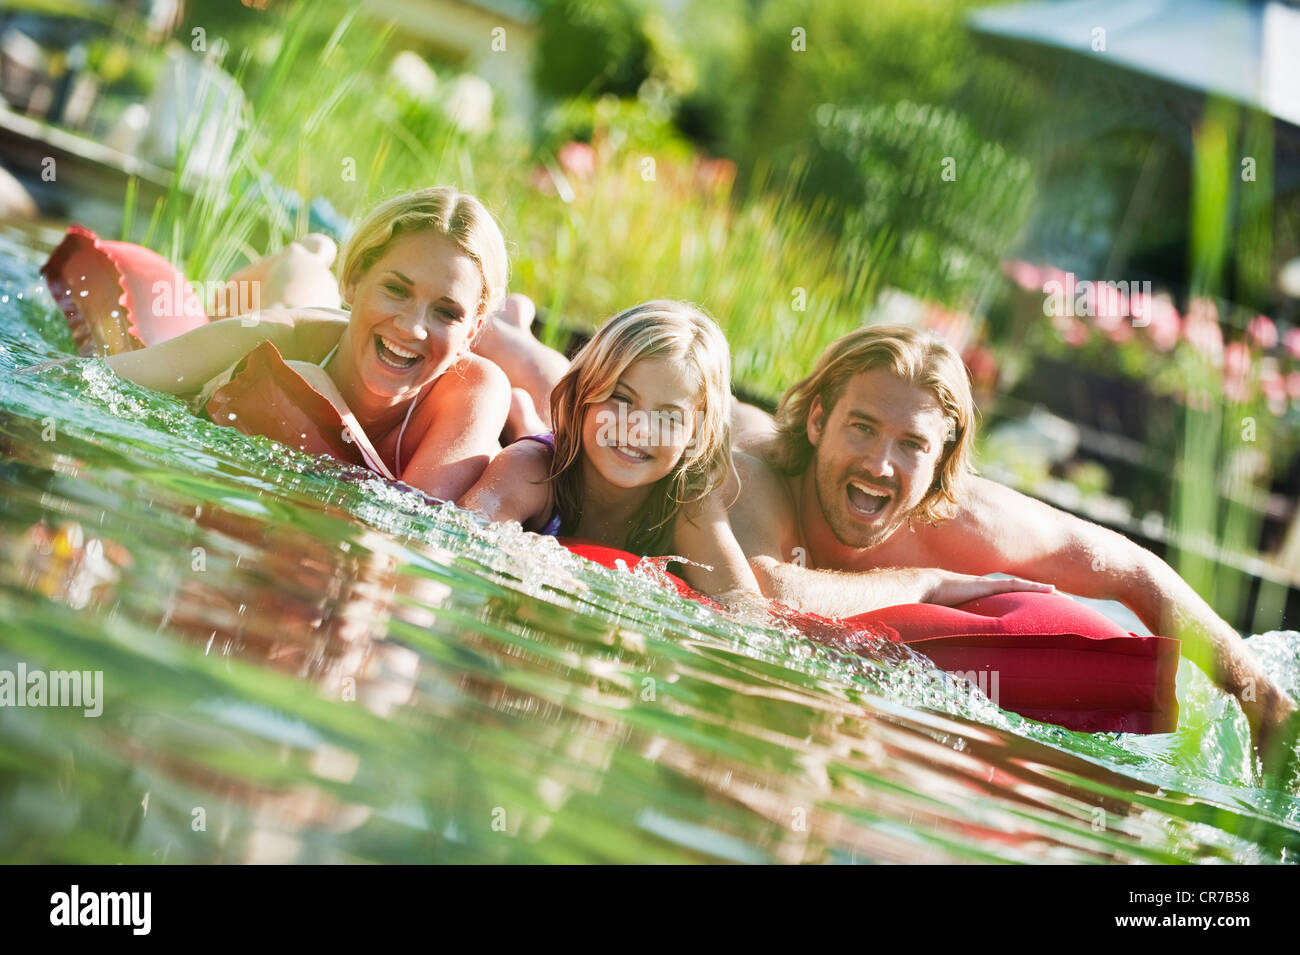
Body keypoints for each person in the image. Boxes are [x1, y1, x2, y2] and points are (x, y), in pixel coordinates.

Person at [725, 323, 1298, 757]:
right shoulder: (752, 475)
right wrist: (923, 584)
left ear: (942, 457)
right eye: (863, 427)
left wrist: (1259, 698)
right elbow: (769, 591)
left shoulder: (964, 520)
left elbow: (1134, 570)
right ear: (819, 419)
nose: (880, 464)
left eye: (912, 444)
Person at [97, 186, 513, 500]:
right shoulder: (280, 336)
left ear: (472, 332)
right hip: (308, 326)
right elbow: (94, 380)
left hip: (334, 345)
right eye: (396, 290)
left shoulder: (476, 392)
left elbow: (410, 529)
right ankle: (310, 252)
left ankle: (516, 321)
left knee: (307, 373)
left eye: (446, 312)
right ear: (354, 281)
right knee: (295, 287)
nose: (413, 327)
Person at [459, 300, 761, 598]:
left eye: (669, 416)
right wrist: (535, 568)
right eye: (622, 398)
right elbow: (468, 528)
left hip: (596, 436)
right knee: (540, 386)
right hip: (566, 447)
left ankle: (525, 413)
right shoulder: (532, 468)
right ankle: (507, 327)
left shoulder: (685, 503)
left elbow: (742, 600)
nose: (640, 429)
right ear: (582, 391)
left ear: (697, 433)